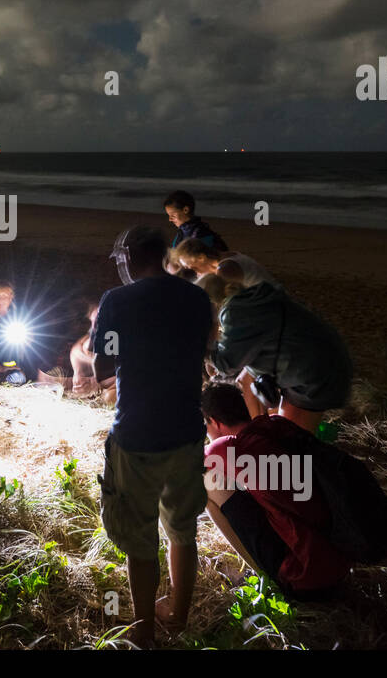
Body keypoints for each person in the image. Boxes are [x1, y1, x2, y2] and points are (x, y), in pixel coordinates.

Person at [92, 226, 211, 647]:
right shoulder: (196, 297)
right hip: (186, 428)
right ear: (163, 254)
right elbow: (205, 354)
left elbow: (103, 370)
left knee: (139, 534)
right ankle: (178, 615)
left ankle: (144, 632)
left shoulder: (116, 301)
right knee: (182, 528)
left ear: (127, 259)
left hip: (137, 431)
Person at [200, 383, 352, 598]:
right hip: (340, 563)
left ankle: (266, 579)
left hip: (304, 579)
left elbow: (186, 466)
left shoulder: (224, 447)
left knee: (208, 482)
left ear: (214, 422)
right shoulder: (276, 426)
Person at [209, 280, 352, 433]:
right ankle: (262, 435)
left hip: (315, 374)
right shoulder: (250, 303)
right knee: (246, 380)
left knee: (289, 439)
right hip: (317, 360)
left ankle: (278, 445)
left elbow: (226, 363)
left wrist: (205, 349)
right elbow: (242, 367)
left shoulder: (237, 313)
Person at [163, 190, 228, 280]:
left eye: (172, 215)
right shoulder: (181, 233)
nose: (170, 219)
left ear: (185, 210)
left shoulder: (202, 233)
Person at [171, 238, 278, 288]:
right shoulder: (228, 256)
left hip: (275, 308)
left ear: (201, 257)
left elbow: (225, 304)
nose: (194, 272)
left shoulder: (225, 269)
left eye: (192, 267)